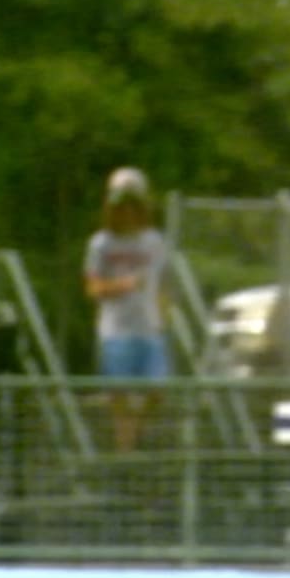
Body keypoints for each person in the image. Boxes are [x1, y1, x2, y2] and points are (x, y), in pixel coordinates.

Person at [83, 166, 170, 453]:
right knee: (118, 398)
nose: (127, 211)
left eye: (133, 204)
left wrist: (164, 316)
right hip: (115, 330)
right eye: (122, 205)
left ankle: (136, 438)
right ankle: (126, 453)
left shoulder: (154, 241)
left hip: (149, 329)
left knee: (158, 391)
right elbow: (93, 288)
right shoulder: (101, 243)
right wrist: (124, 285)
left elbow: (162, 283)